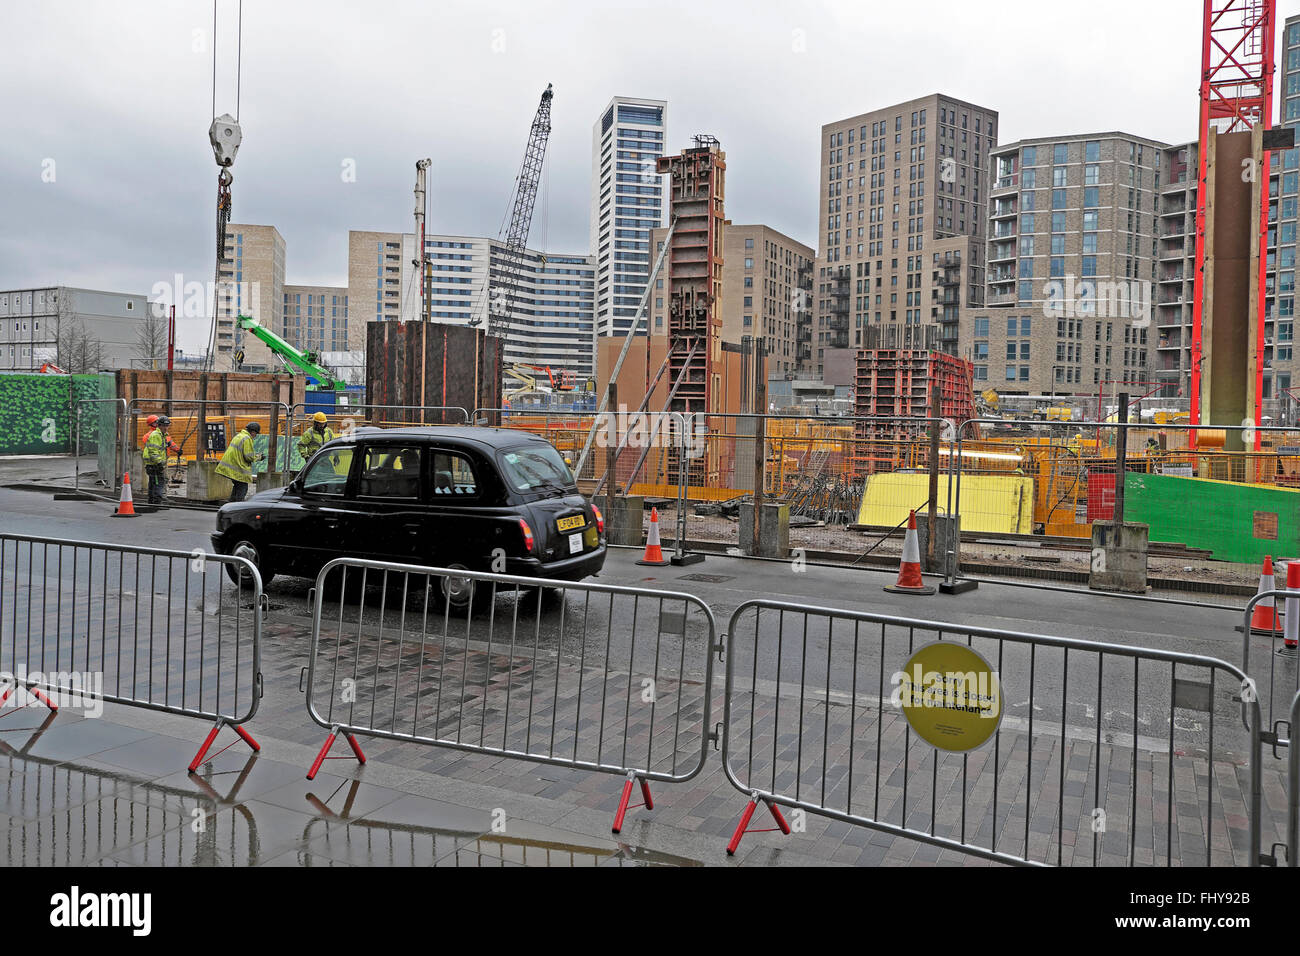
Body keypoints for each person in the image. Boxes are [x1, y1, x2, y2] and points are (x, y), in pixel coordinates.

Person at [216, 420, 264, 502]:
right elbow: (248, 457)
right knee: (242, 488)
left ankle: (231, 505)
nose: (255, 436)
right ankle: (237, 507)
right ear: (252, 432)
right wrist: (259, 457)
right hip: (237, 469)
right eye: (256, 433)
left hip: (229, 467)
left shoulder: (239, 436)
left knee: (237, 486)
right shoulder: (247, 439)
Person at [142, 415, 172, 504]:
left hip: (153, 463)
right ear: (159, 425)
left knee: (153, 482)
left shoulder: (162, 435)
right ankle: (157, 502)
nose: (166, 428)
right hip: (154, 464)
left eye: (167, 426)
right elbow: (153, 451)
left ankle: (151, 501)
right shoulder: (156, 435)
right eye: (164, 426)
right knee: (159, 482)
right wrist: (159, 463)